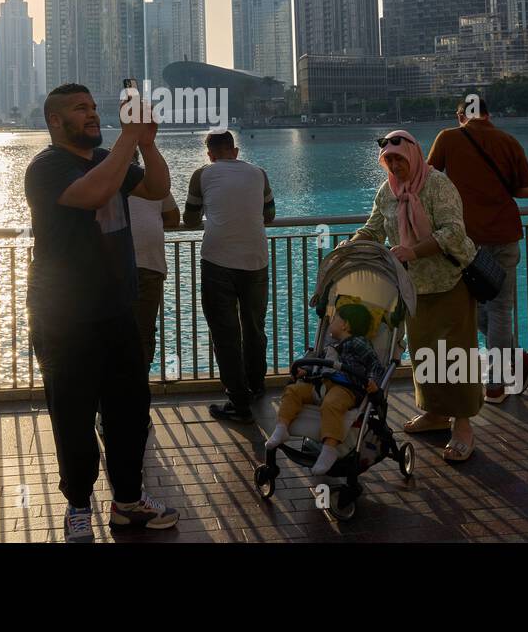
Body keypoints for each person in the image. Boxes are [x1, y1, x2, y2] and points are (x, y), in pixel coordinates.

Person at [24, 83, 179, 543]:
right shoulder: (47, 168)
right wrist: (130, 139)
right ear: (56, 121)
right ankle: (77, 506)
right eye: (80, 109)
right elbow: (93, 195)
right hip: (63, 317)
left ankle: (128, 501)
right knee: (72, 416)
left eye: (93, 107)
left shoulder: (108, 158)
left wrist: (147, 144)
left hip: (117, 310)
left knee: (129, 413)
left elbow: (156, 187)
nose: (92, 115)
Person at [353, 129, 481, 463]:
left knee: (456, 354)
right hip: (414, 287)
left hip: (451, 281)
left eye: (399, 158)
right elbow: (374, 227)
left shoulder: (438, 185)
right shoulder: (388, 192)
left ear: (413, 155)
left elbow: (454, 231)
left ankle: (463, 425)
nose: (395, 165)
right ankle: (436, 413)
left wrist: (414, 252)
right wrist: (352, 246)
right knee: (424, 351)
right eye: (389, 160)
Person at [427, 95, 528, 402]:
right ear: (489, 114)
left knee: (477, 308)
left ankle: (497, 380)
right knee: (500, 308)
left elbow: (427, 181)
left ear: (461, 115)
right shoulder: (508, 141)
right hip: (505, 234)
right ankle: (512, 365)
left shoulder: (448, 138)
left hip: (465, 242)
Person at [182, 130, 276, 423]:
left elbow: (191, 219)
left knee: (225, 334)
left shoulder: (202, 174)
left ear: (210, 154)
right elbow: (269, 215)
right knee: (254, 326)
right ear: (234, 151)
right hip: (256, 259)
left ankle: (238, 401)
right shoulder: (259, 173)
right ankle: (257, 385)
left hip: (218, 260)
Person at [264, 298, 385, 474]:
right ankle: (282, 427)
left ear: (345, 325)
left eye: (335, 318)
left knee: (332, 404)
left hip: (346, 388)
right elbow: (317, 363)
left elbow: (375, 365)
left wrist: (373, 382)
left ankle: (329, 449)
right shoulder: (329, 345)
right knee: (293, 391)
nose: (330, 321)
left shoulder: (359, 343)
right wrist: (305, 371)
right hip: (320, 383)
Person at [127, 167, 179, 370]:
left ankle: (116, 391)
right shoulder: (152, 181)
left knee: (110, 329)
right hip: (150, 266)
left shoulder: (106, 178)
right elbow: (173, 219)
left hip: (113, 269)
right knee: (144, 330)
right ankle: (139, 386)